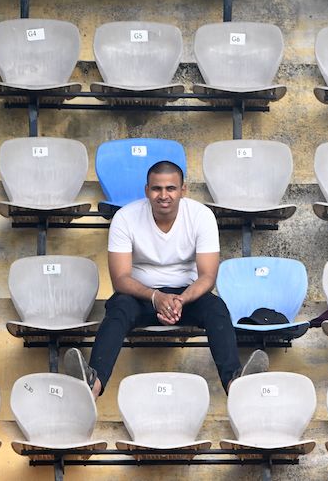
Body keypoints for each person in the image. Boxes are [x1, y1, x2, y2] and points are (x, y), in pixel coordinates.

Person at [64, 159, 266, 395]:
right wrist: (155, 297)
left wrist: (180, 300)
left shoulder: (201, 216)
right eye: (156, 188)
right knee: (118, 308)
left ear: (183, 190)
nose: (163, 195)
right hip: (141, 296)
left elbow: (208, 276)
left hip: (187, 296)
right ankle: (91, 386)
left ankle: (235, 385)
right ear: (146, 190)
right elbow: (120, 278)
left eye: (170, 188)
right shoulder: (125, 218)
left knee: (216, 308)